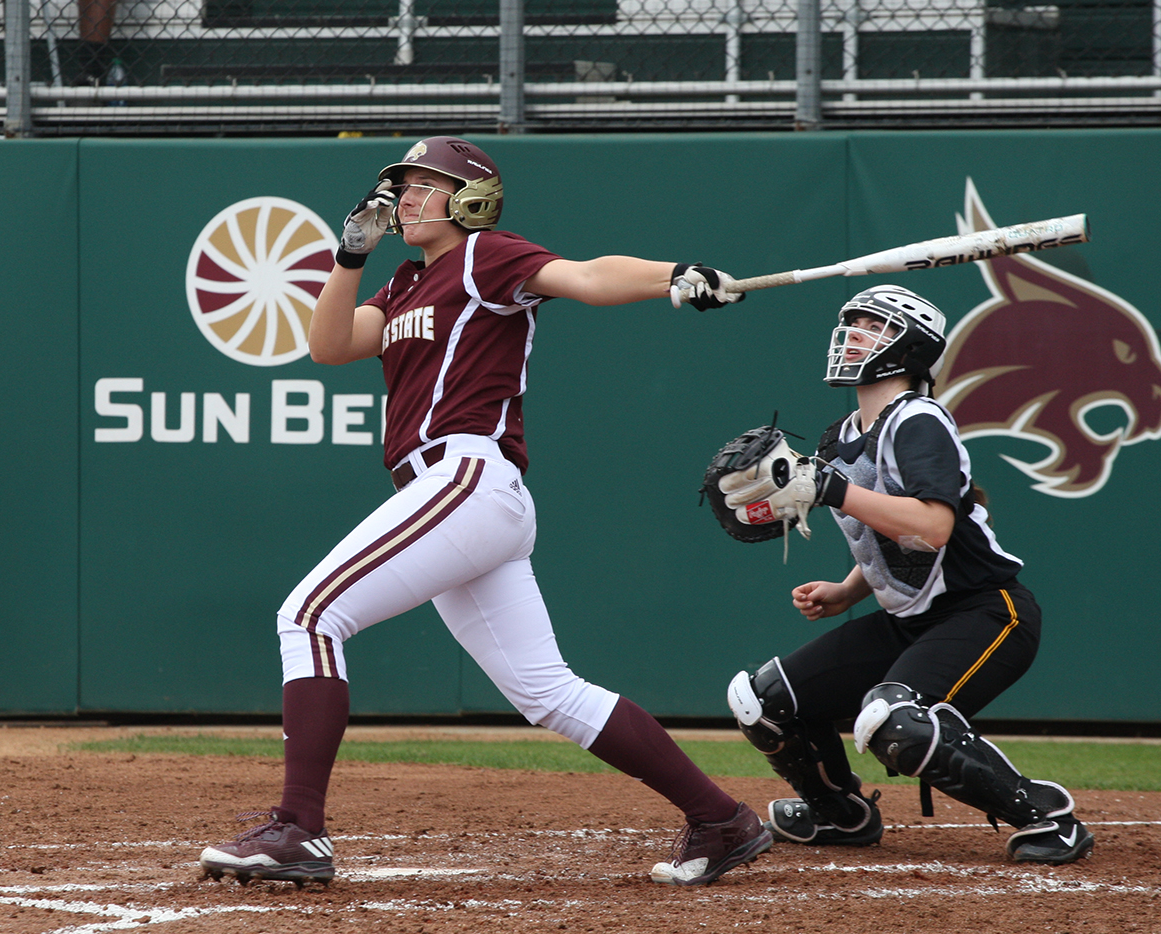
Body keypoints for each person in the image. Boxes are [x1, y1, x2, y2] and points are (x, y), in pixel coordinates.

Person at [198, 136, 771, 887]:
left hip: (465, 475)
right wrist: (347, 258)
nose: (404, 197)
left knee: (308, 617)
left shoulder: (485, 255)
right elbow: (330, 345)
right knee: (547, 691)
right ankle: (722, 818)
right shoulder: (403, 283)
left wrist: (674, 275)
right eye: (400, 185)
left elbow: (589, 277)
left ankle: (300, 828)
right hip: (451, 498)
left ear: (471, 198)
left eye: (424, 185)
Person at [722, 284, 1094, 865]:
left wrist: (832, 488)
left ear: (910, 347)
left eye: (871, 326)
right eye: (850, 324)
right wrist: (847, 591)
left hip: (986, 611)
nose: (851, 336)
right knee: (762, 700)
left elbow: (933, 528)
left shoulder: (919, 420)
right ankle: (840, 815)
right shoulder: (839, 436)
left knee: (894, 719)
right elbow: (888, 539)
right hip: (907, 621)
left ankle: (1045, 815)